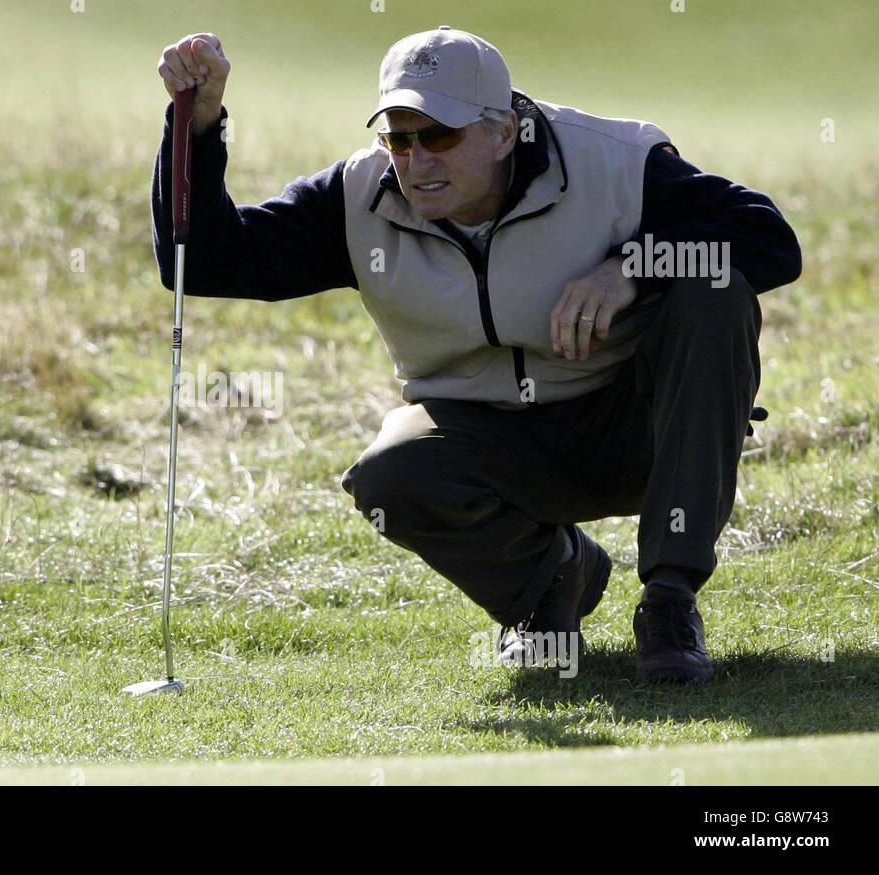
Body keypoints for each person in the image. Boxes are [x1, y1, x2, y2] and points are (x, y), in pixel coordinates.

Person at [150, 27, 801, 682]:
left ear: (505, 129)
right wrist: (199, 129)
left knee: (715, 291)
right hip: (487, 442)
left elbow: (768, 238)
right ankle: (552, 583)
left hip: (643, 432)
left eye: (439, 136)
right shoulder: (359, 198)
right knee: (388, 476)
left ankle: (668, 602)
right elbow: (205, 260)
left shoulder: (617, 162)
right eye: (399, 139)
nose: (417, 160)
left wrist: (633, 265)